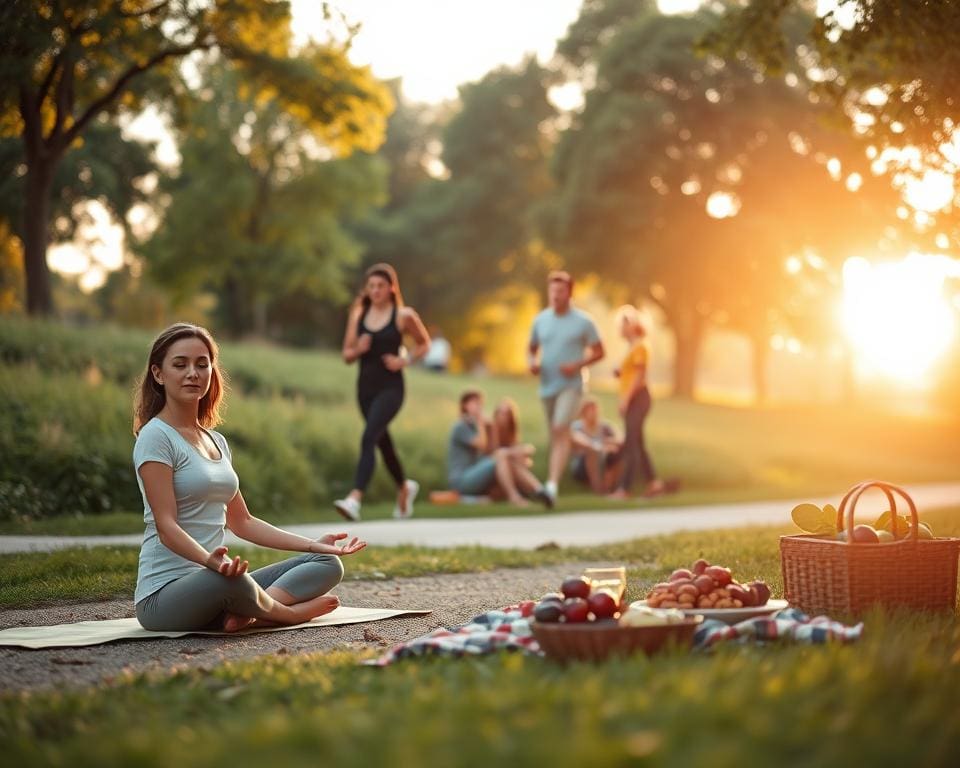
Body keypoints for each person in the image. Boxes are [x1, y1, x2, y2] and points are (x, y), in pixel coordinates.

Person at [132, 323, 367, 633]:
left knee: (327, 564)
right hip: (163, 597)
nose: (193, 373)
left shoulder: (216, 441)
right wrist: (211, 562)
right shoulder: (155, 437)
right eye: (180, 364)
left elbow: (243, 522)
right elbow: (166, 527)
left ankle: (250, 613)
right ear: (158, 374)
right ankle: (286, 614)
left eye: (202, 364)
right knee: (231, 582)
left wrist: (313, 545)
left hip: (219, 579)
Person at [336, 263, 430, 522]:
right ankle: (404, 487)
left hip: (392, 388)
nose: (376, 290)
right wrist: (360, 349)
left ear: (391, 288)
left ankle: (355, 499)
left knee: (368, 437)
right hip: (365, 389)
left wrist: (405, 360)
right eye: (371, 286)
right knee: (382, 442)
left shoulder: (403, 315)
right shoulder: (359, 314)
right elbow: (346, 355)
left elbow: (424, 344)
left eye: (380, 286)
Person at [528, 270, 605, 504]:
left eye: (560, 291)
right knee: (558, 434)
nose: (555, 295)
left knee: (560, 427)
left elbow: (600, 351)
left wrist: (577, 364)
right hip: (547, 386)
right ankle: (592, 447)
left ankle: (551, 487)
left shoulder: (584, 322)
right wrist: (532, 363)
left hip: (572, 385)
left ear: (569, 294)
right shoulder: (540, 320)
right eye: (552, 290)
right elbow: (531, 348)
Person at [447, 390, 551, 508]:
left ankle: (540, 491)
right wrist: (481, 422)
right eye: (475, 403)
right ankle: (515, 497)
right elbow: (482, 445)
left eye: (480, 403)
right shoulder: (461, 426)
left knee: (506, 460)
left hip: (476, 476)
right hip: (462, 481)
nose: (479, 407)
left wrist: (492, 428)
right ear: (465, 405)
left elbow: (492, 451)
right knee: (501, 456)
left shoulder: (476, 427)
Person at [608, 305, 665, 499]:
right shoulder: (631, 348)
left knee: (631, 443)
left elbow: (639, 377)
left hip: (638, 398)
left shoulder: (641, 346)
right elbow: (630, 372)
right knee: (638, 444)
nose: (621, 328)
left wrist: (625, 400)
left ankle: (624, 489)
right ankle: (654, 483)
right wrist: (620, 372)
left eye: (625, 324)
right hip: (633, 398)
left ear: (633, 326)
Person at [569, 397, 622, 494]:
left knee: (614, 453)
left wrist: (610, 443)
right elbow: (583, 442)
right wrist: (602, 447)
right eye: (591, 410)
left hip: (604, 462)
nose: (594, 413)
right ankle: (600, 490)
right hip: (582, 465)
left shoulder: (605, 426)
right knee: (592, 452)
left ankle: (610, 488)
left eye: (595, 410)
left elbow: (621, 440)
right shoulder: (576, 427)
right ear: (584, 412)